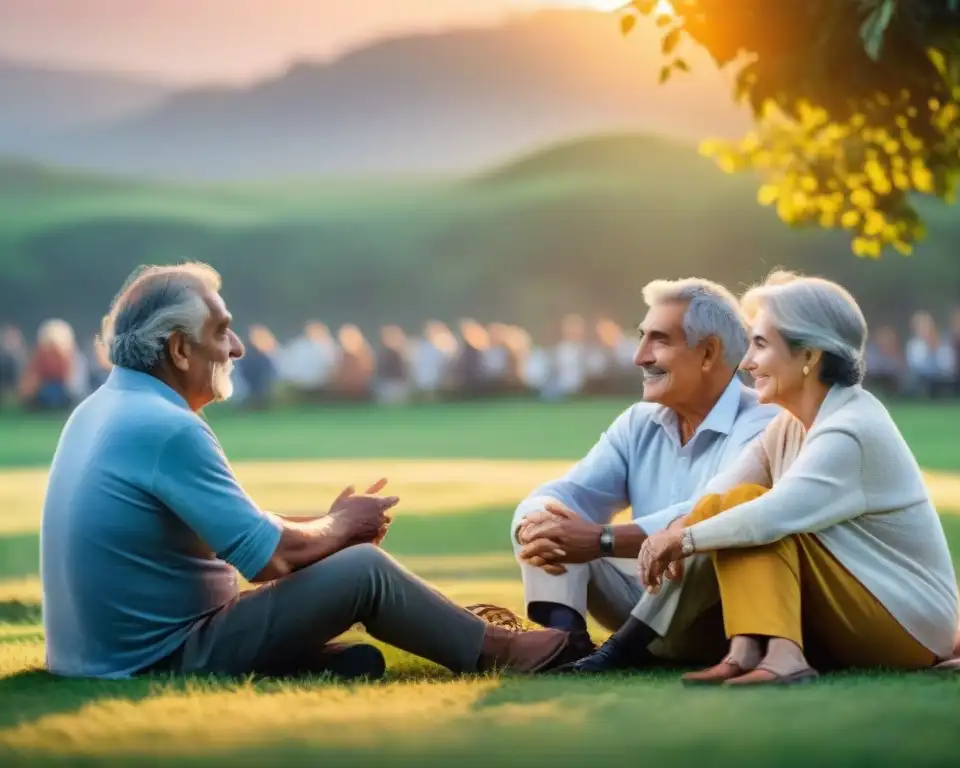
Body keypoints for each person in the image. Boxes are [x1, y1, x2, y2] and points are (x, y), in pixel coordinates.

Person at [39, 262, 570, 682]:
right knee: (364, 570)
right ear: (179, 348)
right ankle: (497, 651)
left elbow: (232, 530)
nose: (238, 348)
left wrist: (329, 523)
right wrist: (342, 529)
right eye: (222, 331)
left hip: (94, 656)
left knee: (339, 565)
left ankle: (301, 656)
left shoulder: (104, 407)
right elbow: (268, 557)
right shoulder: (166, 427)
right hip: (155, 659)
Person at [568, 270, 960, 685]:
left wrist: (680, 539)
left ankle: (631, 648)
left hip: (908, 625)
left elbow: (773, 514)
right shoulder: (790, 424)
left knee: (748, 510)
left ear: (810, 356)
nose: (746, 362)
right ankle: (749, 652)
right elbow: (718, 492)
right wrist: (679, 528)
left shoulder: (851, 429)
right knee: (730, 504)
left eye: (760, 345)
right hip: (860, 604)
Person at [504, 278, 777, 665]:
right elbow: (571, 492)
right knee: (549, 519)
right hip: (641, 608)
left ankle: (603, 654)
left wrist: (602, 540)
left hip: (719, 624)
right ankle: (561, 649)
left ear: (708, 353)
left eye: (660, 340)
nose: (640, 356)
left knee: (702, 533)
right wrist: (533, 528)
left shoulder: (766, 423)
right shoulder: (638, 421)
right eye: (642, 337)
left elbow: (711, 514)